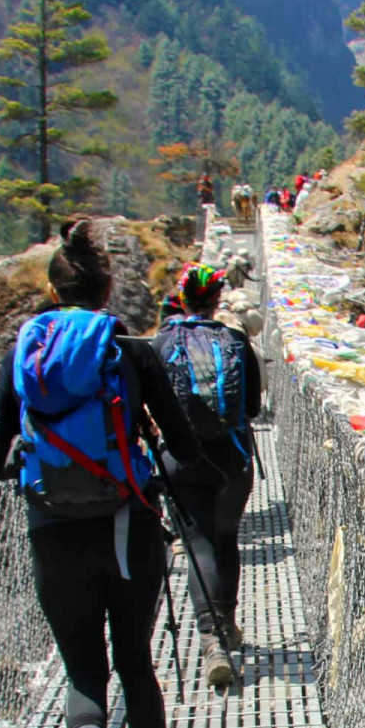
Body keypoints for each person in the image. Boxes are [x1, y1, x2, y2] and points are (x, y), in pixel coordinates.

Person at [0, 217, 203, 728]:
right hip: (127, 530)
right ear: (108, 292)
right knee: (135, 662)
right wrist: (154, 468)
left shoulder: (24, 357)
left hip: (52, 531)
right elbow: (183, 450)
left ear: (55, 294)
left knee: (83, 668)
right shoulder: (131, 353)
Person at [153, 264, 264, 690]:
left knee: (197, 542)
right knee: (225, 538)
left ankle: (211, 639)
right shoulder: (235, 340)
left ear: (182, 300)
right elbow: (252, 406)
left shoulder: (162, 343)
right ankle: (229, 624)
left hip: (182, 459)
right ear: (218, 301)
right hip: (232, 458)